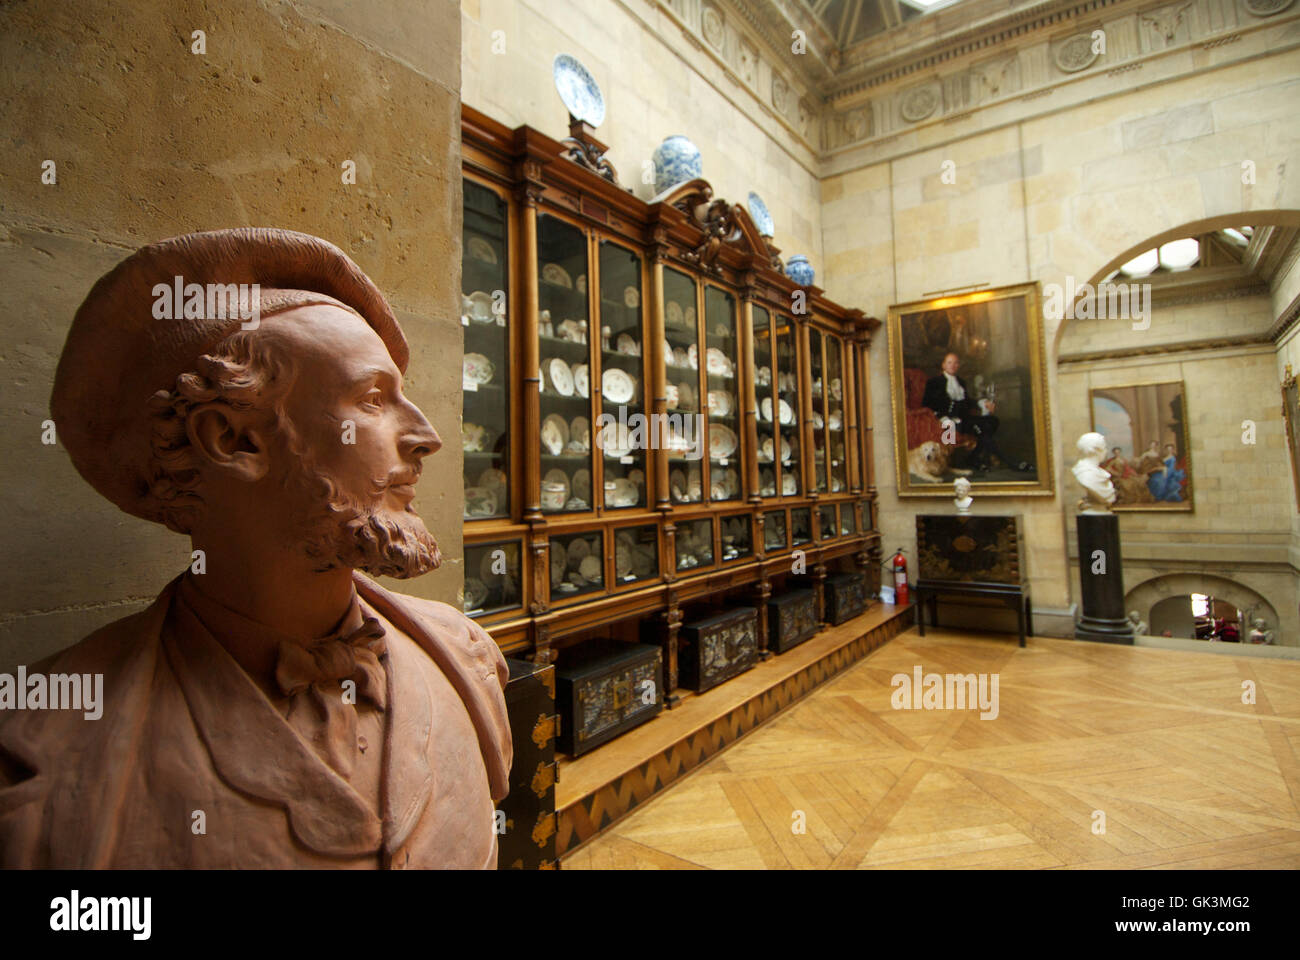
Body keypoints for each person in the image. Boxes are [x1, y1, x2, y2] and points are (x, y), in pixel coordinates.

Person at [0, 229, 512, 868]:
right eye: (375, 399)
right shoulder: (45, 741)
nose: (426, 436)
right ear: (233, 439)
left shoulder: (466, 661)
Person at [921, 352, 1028, 472]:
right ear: (943, 365)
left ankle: (973, 458)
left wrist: (983, 403)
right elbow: (927, 404)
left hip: (965, 418)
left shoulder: (961, 382)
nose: (953, 365)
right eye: (949, 362)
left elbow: (968, 402)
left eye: (956, 363)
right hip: (949, 421)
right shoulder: (934, 382)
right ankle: (1010, 462)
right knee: (982, 430)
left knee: (993, 421)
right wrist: (942, 416)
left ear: (958, 366)